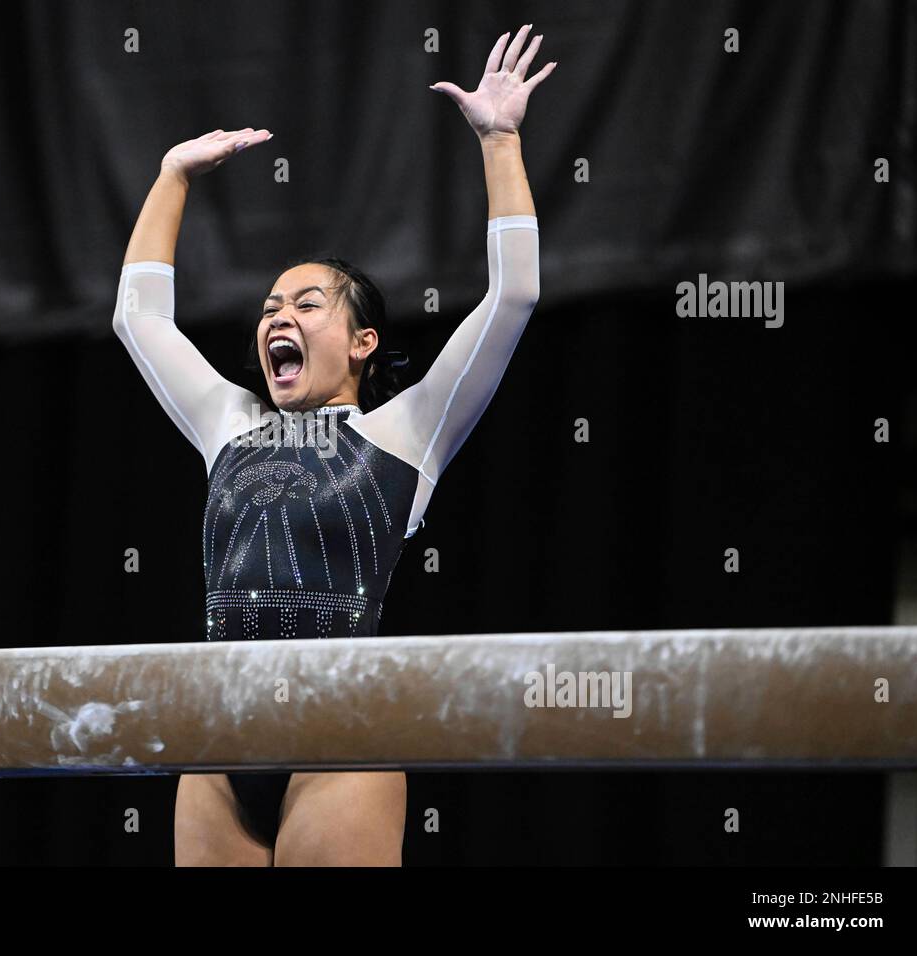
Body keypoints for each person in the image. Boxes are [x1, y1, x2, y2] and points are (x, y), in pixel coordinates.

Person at [113, 26, 554, 865]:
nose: (279, 316)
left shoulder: (408, 429)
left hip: (338, 728)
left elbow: (514, 295)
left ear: (361, 342)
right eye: (272, 305)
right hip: (217, 731)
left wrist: (500, 141)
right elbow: (137, 319)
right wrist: (171, 175)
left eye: (308, 304)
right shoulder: (230, 424)